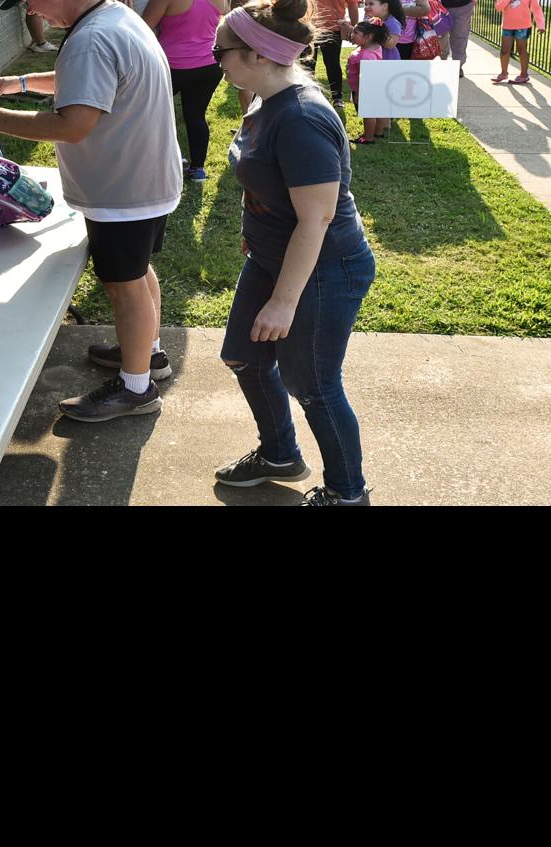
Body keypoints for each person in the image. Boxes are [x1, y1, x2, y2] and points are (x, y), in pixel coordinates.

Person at [0, 0, 183, 422]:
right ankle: (148, 353)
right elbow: (89, 82)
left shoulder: (91, 37)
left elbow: (70, 125)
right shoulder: (114, 17)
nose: (31, 8)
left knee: (125, 286)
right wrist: (20, 82)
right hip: (144, 179)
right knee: (136, 272)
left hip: (123, 190)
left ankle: (136, 388)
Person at [212, 0, 376, 505]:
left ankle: (348, 494)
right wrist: (254, 225)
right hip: (271, 256)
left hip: (325, 268)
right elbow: (262, 174)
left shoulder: (301, 117)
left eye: (223, 51)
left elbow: (317, 218)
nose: (214, 57)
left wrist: (283, 302)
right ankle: (280, 454)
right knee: (244, 355)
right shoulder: (262, 98)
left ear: (259, 55)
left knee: (314, 383)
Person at [148, 0, 225, 182]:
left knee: (156, 115)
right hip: (209, 65)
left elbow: (142, 27)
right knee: (196, 116)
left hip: (172, 66)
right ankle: (197, 169)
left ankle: (169, 160)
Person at [491, 0, 544, 84]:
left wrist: (541, 25)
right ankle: (503, 73)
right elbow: (498, 7)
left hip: (523, 26)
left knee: (522, 50)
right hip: (507, 26)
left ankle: (524, 75)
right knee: (504, 51)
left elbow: (536, 8)